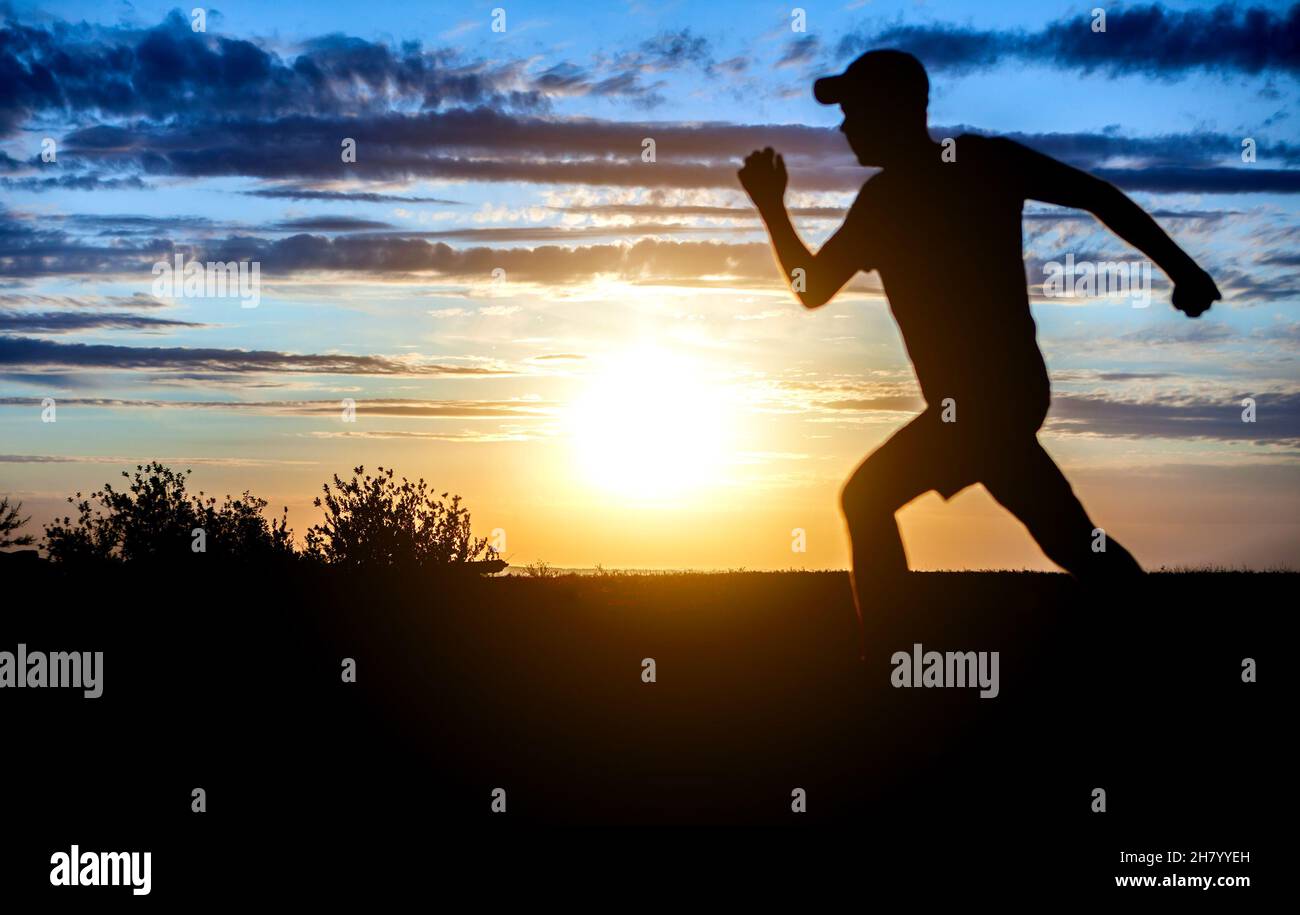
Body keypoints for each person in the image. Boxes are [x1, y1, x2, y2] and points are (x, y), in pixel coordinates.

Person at [737, 49, 1222, 638]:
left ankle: (894, 665)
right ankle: (1172, 639)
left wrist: (1184, 270)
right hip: (993, 402)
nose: (844, 126)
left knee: (867, 500)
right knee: (1067, 536)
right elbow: (813, 289)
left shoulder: (966, 168)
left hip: (987, 403)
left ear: (896, 111)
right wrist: (771, 208)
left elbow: (1096, 194)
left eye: (855, 110)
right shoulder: (892, 201)